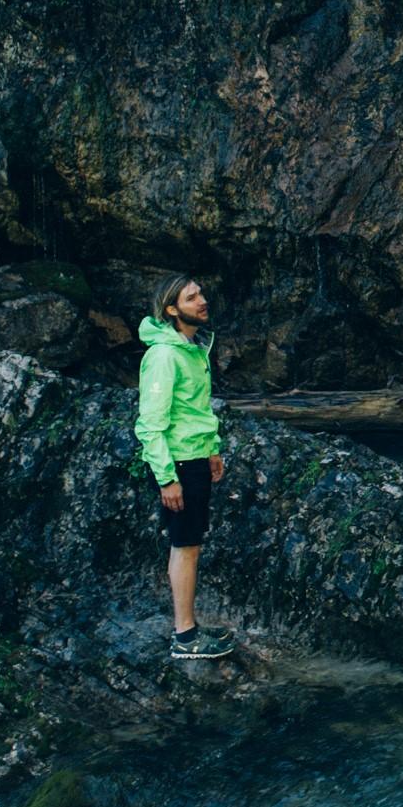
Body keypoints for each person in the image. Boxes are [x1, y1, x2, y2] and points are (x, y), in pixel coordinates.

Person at [137, 275, 237, 659]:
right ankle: (184, 637)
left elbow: (194, 410)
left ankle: (188, 627)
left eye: (201, 294)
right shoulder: (164, 356)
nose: (202, 300)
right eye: (191, 297)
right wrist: (167, 478)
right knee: (185, 546)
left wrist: (211, 449)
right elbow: (151, 424)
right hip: (177, 462)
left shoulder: (192, 348)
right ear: (172, 309)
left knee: (190, 544)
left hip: (193, 458)